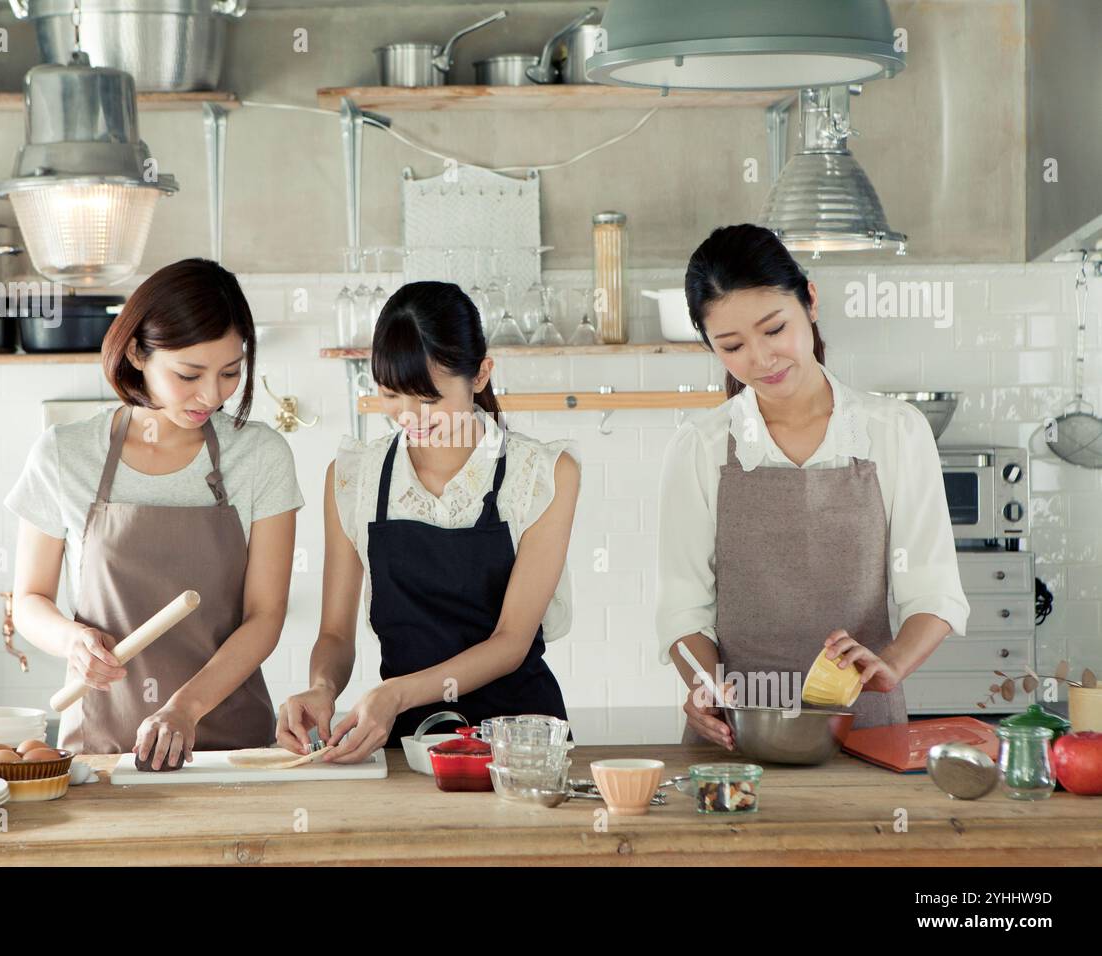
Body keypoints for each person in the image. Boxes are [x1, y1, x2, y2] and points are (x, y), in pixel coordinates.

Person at [656, 225, 970, 748]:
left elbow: (934, 593)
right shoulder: (699, 447)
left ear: (811, 302)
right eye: (732, 345)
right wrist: (704, 686)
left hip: (864, 727)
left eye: (775, 329)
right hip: (739, 734)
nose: (761, 359)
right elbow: (682, 609)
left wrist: (890, 666)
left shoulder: (895, 431)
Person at [6, 258, 303, 769]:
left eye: (231, 373)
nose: (212, 395)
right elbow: (30, 600)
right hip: (102, 754)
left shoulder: (260, 455)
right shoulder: (63, 453)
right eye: (189, 374)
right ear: (138, 353)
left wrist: (183, 709)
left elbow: (265, 615)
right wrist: (71, 640)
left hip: (231, 751)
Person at [277, 281, 579, 762]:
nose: (410, 416)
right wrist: (322, 689)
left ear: (481, 375)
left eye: (430, 397)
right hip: (404, 743)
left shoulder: (541, 474)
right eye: (392, 395)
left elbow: (510, 643)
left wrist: (395, 693)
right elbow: (335, 634)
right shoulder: (355, 477)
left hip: (519, 746)